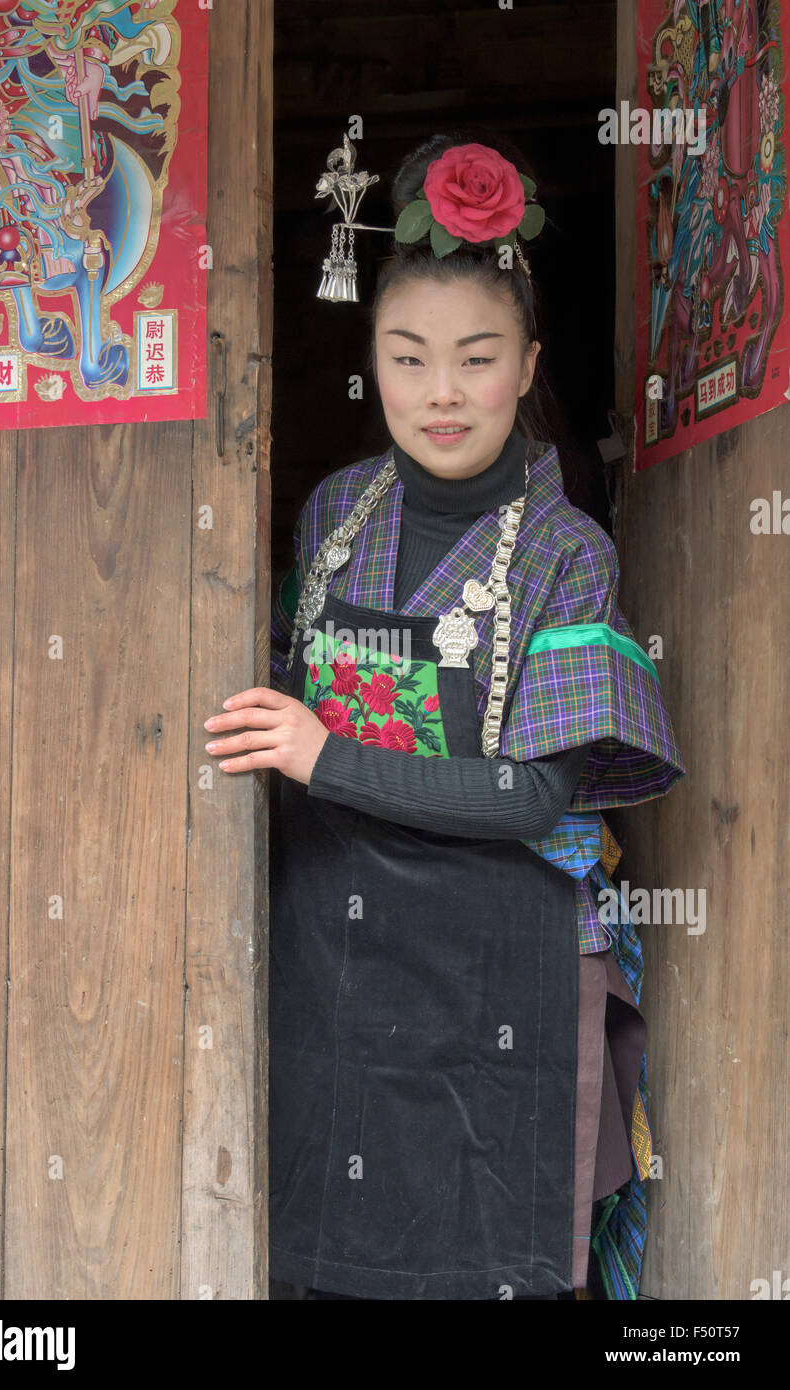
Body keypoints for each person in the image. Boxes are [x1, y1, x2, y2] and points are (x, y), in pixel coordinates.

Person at [204, 134, 685, 1300]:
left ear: (526, 366)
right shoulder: (331, 513)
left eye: (475, 359)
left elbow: (535, 793)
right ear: (372, 364)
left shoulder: (566, 549)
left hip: (492, 981)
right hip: (335, 964)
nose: (441, 393)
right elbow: (272, 701)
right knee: (323, 1262)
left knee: (485, 1273)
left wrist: (325, 753)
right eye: (408, 358)